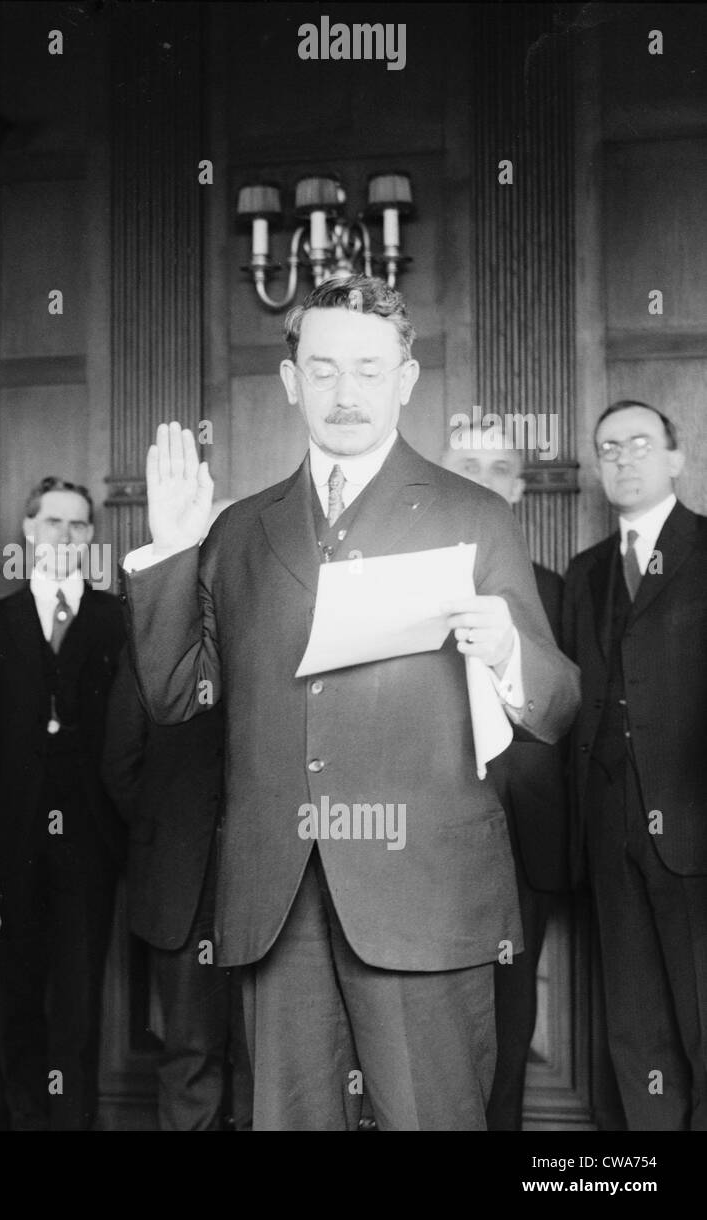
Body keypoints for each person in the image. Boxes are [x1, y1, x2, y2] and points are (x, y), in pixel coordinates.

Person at [121, 275, 580, 1130]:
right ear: (291, 381)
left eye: (370, 370)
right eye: (324, 370)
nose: (346, 393)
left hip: (426, 896)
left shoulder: (473, 513)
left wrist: (509, 650)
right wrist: (170, 553)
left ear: (406, 379)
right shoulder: (235, 531)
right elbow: (174, 695)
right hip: (276, 899)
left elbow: (554, 704)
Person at [562, 399, 707, 1130]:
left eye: (640, 444)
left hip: (695, 828)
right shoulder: (585, 571)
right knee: (636, 1026)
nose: (622, 459)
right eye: (608, 448)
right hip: (610, 834)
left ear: (677, 459)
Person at [103, 502, 253, 1132]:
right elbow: (121, 763)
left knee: (267, 1062)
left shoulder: (270, 627)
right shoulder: (151, 634)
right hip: (182, 892)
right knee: (190, 1055)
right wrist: (171, 837)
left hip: (265, 887)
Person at [0, 477, 124, 1130]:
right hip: (11, 845)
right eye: (53, 523)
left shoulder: (116, 619)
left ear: (91, 538)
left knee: (78, 1001)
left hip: (90, 845)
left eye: (78, 526)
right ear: (29, 529)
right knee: (14, 994)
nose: (65, 537)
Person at [440, 430, 569, 1130]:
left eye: (501, 470)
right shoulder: (404, 580)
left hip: (521, 843)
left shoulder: (553, 586)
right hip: (419, 838)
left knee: (511, 1019)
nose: (486, 482)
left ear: (517, 490)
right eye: (469, 468)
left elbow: (571, 712)